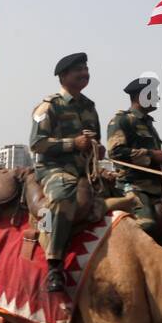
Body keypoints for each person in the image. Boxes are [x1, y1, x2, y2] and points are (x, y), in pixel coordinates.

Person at [29, 52, 101, 293]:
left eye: (86, 68)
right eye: (78, 69)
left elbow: (96, 143)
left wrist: (97, 149)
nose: (85, 73)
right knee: (62, 199)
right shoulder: (49, 106)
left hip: (86, 172)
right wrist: (73, 143)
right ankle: (54, 265)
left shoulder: (90, 107)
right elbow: (37, 143)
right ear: (63, 76)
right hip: (54, 169)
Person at [107, 77, 162, 242]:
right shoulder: (121, 120)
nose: (157, 98)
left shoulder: (148, 124)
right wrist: (152, 155)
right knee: (147, 226)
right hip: (134, 185)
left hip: (159, 187)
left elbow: (152, 161)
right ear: (141, 97)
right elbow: (116, 153)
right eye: (153, 94)